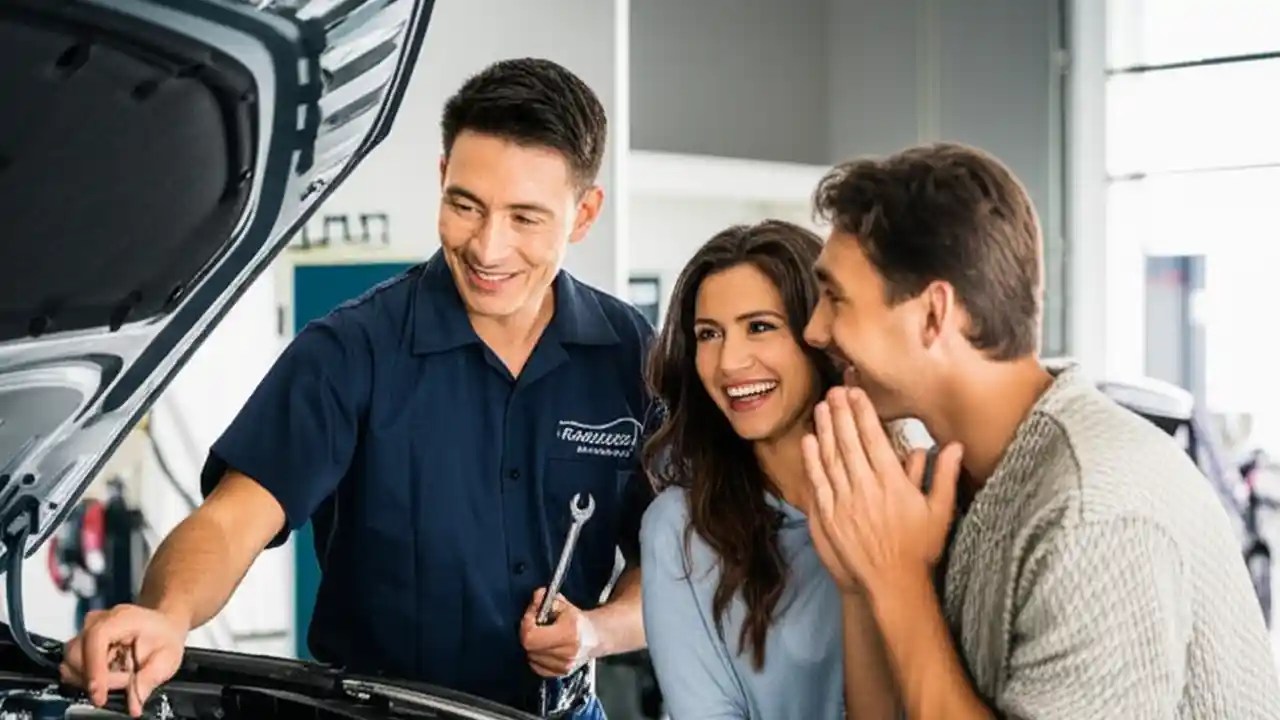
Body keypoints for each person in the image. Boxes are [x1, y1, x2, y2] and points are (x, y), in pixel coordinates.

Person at [58, 57, 657, 720]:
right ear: (440, 178)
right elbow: (231, 522)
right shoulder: (349, 352)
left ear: (584, 214)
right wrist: (166, 616)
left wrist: (596, 632)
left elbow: (681, 564)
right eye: (465, 205)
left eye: (525, 218)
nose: (488, 248)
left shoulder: (633, 356)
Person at [800, 141, 1280, 718]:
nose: (814, 330)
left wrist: (898, 581)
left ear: (934, 314)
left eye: (835, 298)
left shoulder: (1094, 510)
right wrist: (865, 579)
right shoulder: (959, 483)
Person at [638, 220, 901, 719]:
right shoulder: (678, 531)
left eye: (760, 326)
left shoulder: (912, 497)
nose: (729, 362)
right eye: (709, 335)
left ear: (820, 334)